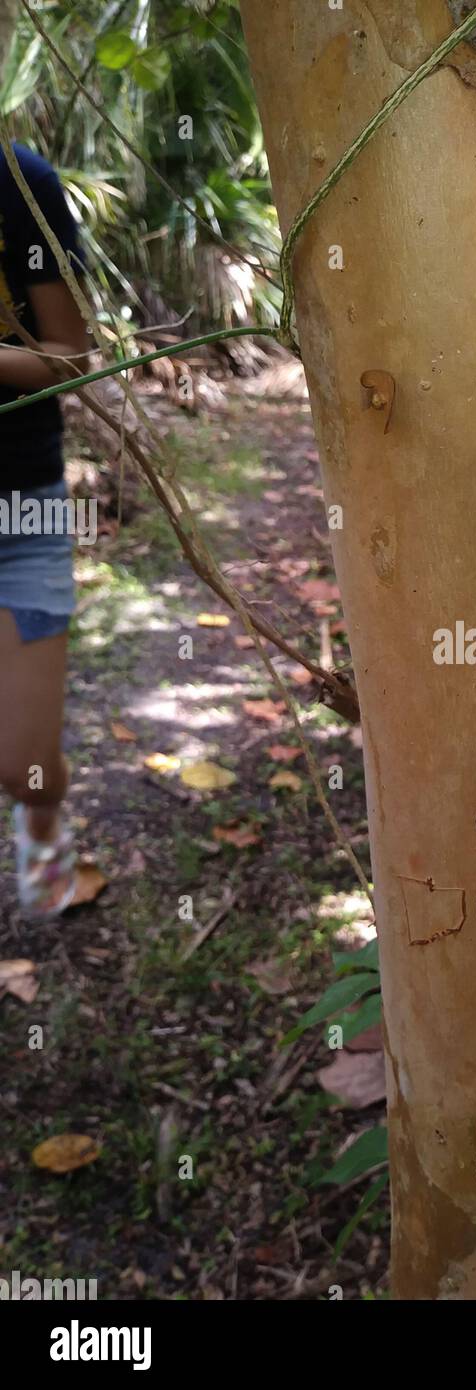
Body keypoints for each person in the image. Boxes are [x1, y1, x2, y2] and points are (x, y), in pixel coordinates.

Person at [0, 141, 90, 917]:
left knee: (23, 763)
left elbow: (73, 355)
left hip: (21, 510)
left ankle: (42, 816)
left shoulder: (21, 182)